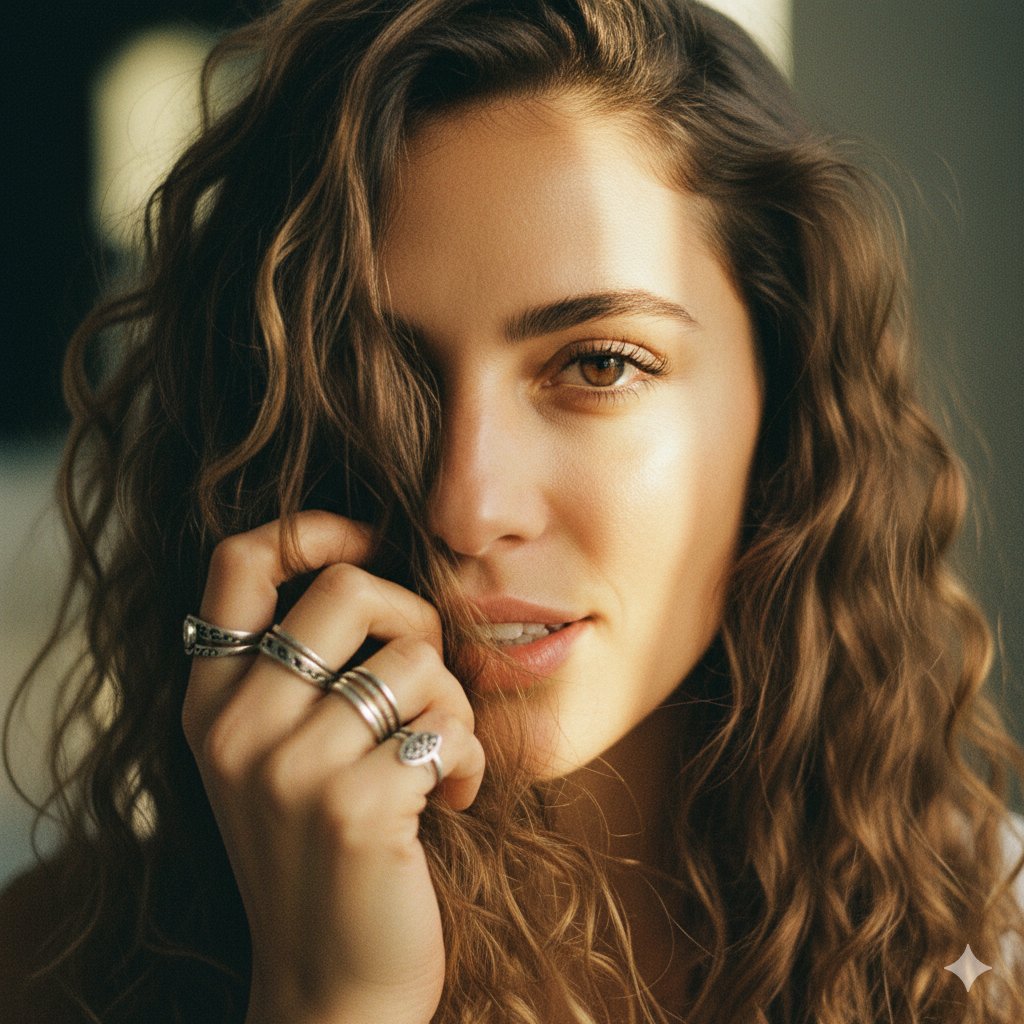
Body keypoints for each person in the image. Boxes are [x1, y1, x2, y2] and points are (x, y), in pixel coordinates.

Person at [2, 0, 1023, 1021]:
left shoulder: (991, 951)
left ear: (787, 396)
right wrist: (333, 996)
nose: (465, 505)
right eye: (369, 375)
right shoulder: (58, 966)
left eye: (599, 363)